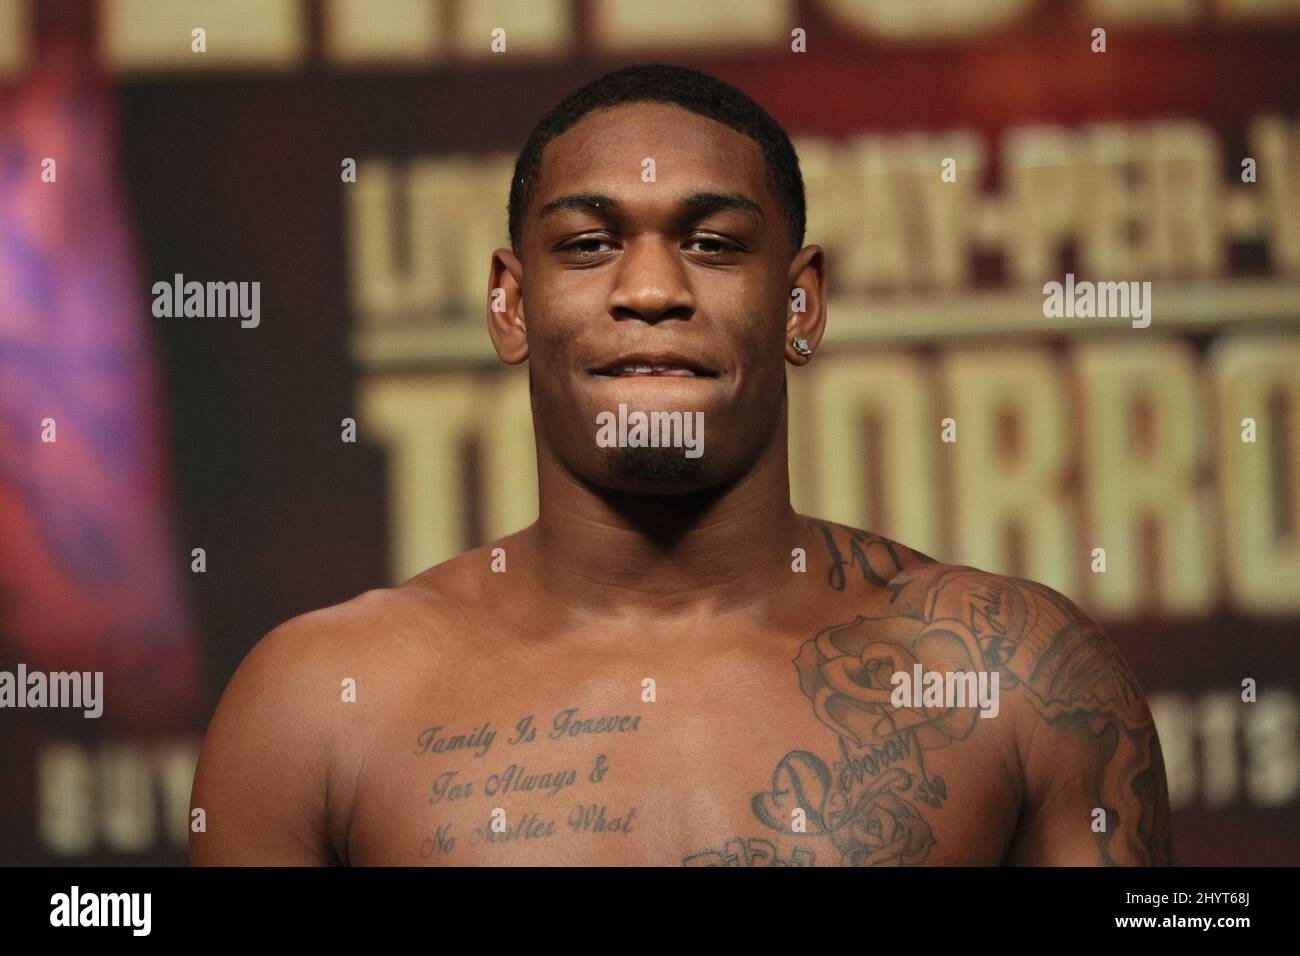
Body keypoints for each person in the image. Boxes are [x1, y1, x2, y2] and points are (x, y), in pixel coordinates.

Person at [190, 64, 1174, 866]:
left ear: (799, 304)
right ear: (510, 303)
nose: (651, 288)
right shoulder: (315, 703)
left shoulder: (1016, 679)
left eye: (711, 242)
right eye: (587, 244)